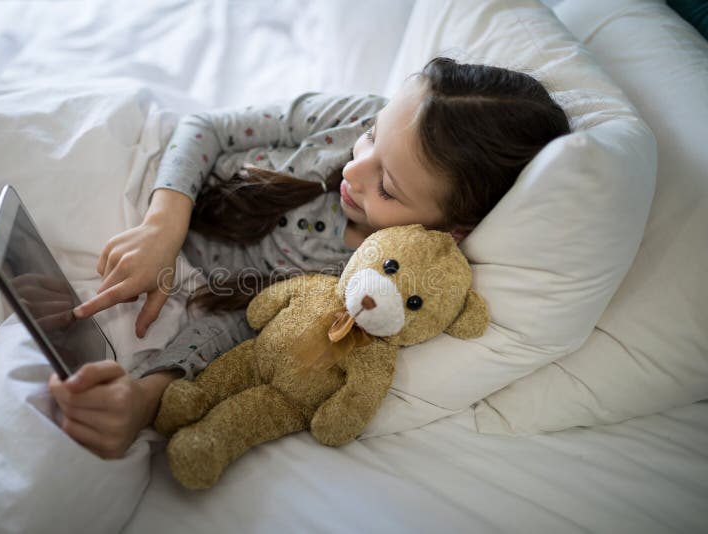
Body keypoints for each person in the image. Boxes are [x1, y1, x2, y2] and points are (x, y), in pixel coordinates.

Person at [47, 57, 571, 459]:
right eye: (371, 135)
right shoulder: (352, 121)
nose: (354, 170)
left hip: (185, 277)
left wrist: (147, 394)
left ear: (453, 232)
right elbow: (208, 128)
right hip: (164, 181)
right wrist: (163, 224)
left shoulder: (364, 281)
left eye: (386, 187)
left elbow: (241, 329)